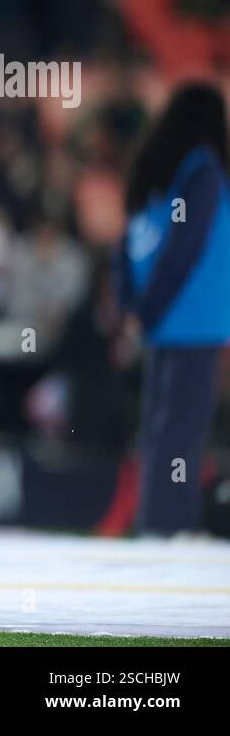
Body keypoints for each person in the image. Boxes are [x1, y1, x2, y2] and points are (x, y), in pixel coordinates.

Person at [117, 81, 230, 535]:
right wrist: (147, 311)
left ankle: (156, 524)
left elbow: (129, 242)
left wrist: (135, 308)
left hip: (163, 322)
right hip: (192, 321)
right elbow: (185, 251)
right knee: (181, 433)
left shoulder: (158, 173)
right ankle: (170, 528)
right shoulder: (203, 173)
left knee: (162, 432)